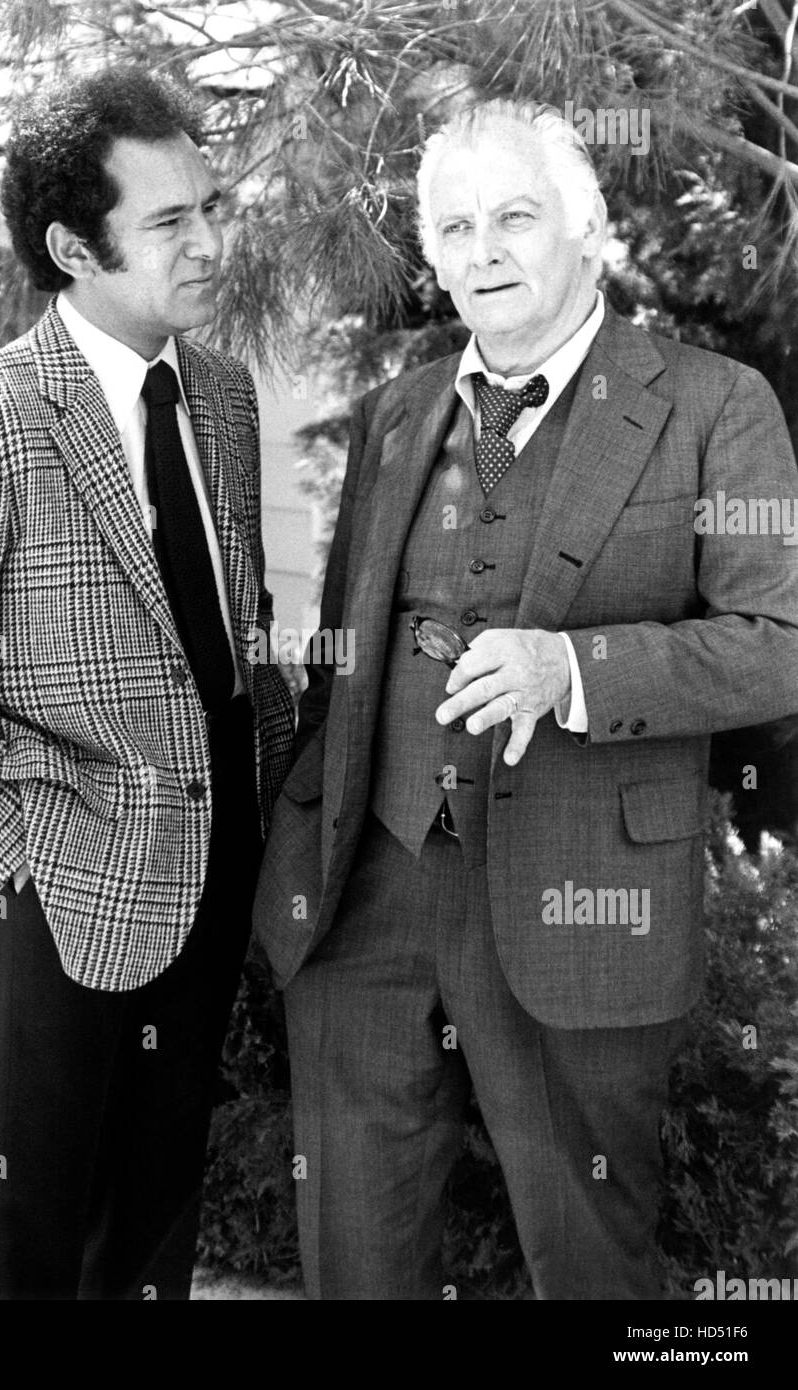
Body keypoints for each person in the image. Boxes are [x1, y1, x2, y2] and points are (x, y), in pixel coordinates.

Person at [253, 97, 798, 1300]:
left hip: (584, 907)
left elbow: (776, 643)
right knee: (354, 1261)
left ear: (589, 229)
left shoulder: (714, 406)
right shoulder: (397, 414)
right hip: (364, 898)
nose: (481, 251)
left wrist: (577, 674)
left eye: (513, 217)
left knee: (589, 1269)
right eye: (452, 228)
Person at [0, 64, 294, 1301]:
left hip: (208, 863)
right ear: (70, 246)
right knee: (33, 1227)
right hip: (50, 888)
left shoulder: (221, 394)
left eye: (211, 207)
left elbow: (221, 622)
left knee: (157, 1214)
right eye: (169, 222)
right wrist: (19, 846)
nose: (210, 241)